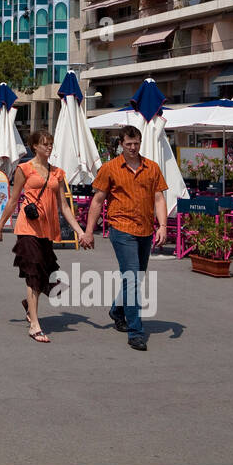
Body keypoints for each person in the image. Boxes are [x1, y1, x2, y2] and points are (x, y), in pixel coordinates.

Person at [0, 131, 84, 343]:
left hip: (47, 230)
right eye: (44, 144)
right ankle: (34, 324)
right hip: (27, 228)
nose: (49, 148)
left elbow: (64, 206)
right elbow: (13, 201)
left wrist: (80, 232)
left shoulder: (57, 172)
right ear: (34, 146)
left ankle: (29, 305)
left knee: (50, 279)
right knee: (33, 274)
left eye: (50, 144)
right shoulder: (24, 169)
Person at [83, 125, 168, 352]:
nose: (132, 148)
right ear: (121, 144)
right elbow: (98, 201)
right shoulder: (110, 168)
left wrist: (163, 226)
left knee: (135, 278)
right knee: (132, 278)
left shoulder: (152, 167)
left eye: (136, 144)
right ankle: (136, 332)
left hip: (145, 230)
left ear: (140, 143)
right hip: (121, 230)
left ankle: (118, 311)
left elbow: (159, 198)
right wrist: (89, 231)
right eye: (128, 144)